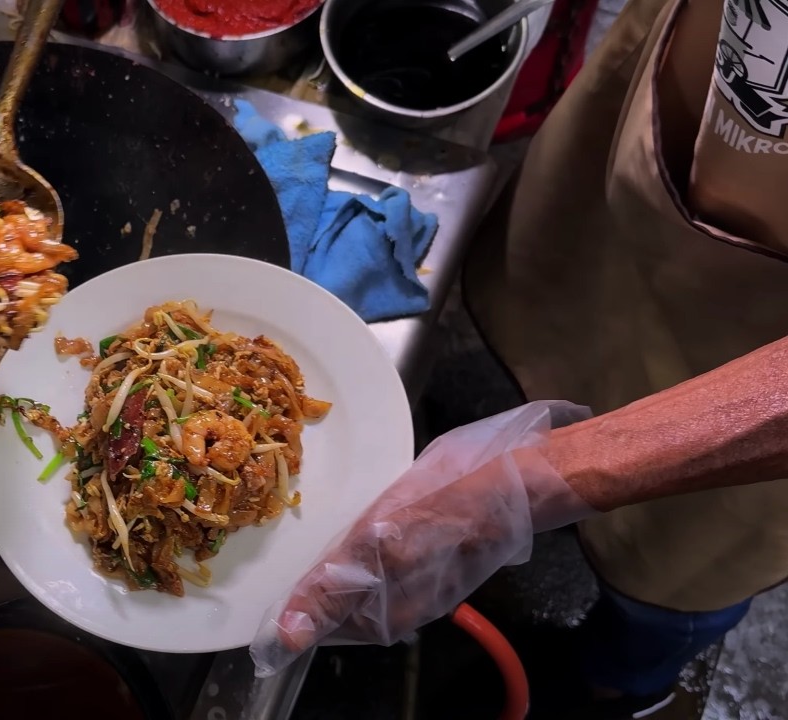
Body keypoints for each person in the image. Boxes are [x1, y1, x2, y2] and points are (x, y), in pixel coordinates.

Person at [252, 0, 788, 717]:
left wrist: (536, 480)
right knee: (575, 317)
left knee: (680, 564)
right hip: (692, 82)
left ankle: (625, 684)